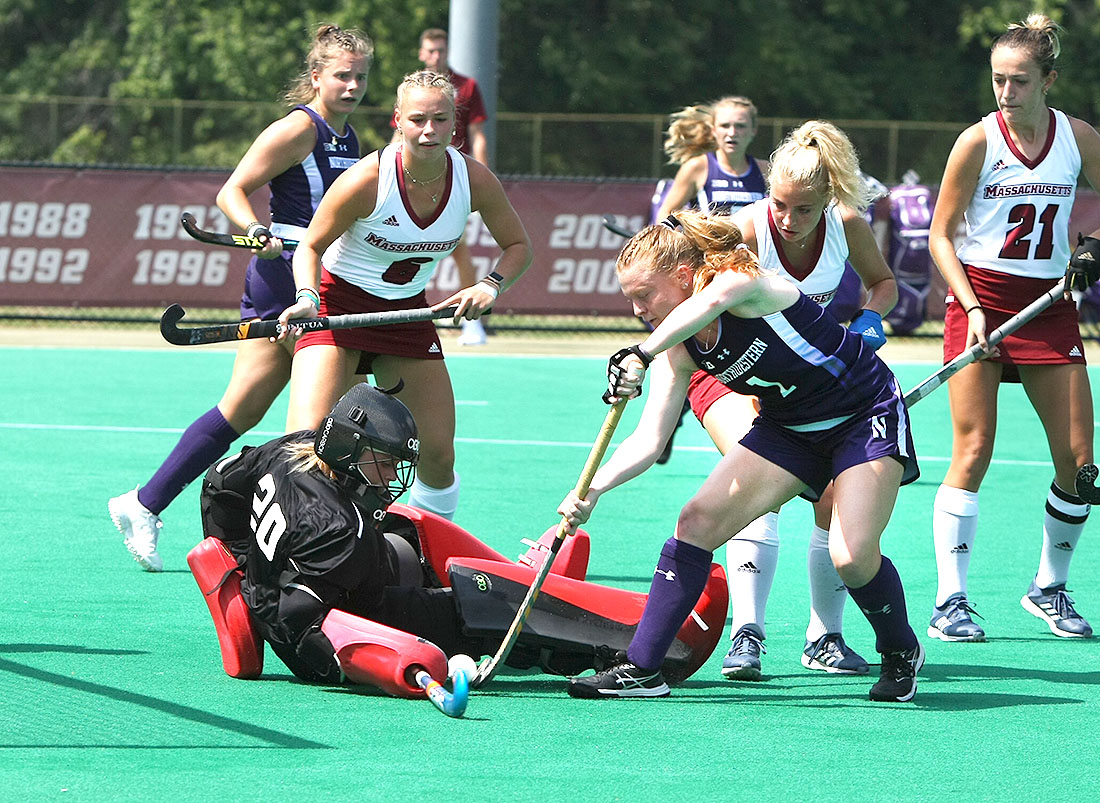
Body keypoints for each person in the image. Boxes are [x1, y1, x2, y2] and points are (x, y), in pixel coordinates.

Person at [559, 210, 925, 702]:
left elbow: (714, 299)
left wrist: (639, 354)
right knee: (696, 522)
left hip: (861, 416)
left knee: (852, 556)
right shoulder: (680, 347)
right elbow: (648, 440)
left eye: (644, 295)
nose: (637, 310)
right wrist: (593, 489)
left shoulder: (744, 281)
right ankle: (642, 668)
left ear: (684, 276)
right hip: (789, 430)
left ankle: (900, 650)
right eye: (631, 300)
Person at [188, 382, 729, 696]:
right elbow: (305, 622)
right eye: (381, 461)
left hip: (328, 578)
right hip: (354, 618)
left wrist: (236, 568)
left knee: (411, 524)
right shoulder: (337, 530)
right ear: (348, 447)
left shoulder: (292, 448)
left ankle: (535, 577)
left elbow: (218, 487)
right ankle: (655, 636)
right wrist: (402, 657)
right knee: (484, 597)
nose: (391, 474)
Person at [108, 24, 373, 571]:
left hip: (324, 278)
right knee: (338, 411)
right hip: (286, 279)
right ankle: (309, 535)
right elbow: (231, 190)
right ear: (317, 76)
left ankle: (143, 503)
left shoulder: (350, 139)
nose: (352, 86)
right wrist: (255, 228)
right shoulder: (299, 128)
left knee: (245, 411)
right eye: (342, 75)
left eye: (361, 77)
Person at [278, 70, 532, 525]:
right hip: (339, 308)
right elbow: (311, 246)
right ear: (398, 120)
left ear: (456, 123)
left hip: (405, 312)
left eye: (440, 119)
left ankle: (425, 554)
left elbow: (519, 248)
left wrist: (489, 285)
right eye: (418, 119)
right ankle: (298, 552)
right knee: (307, 445)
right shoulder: (369, 179)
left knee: (436, 453)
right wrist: (305, 298)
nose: (429, 130)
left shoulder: (474, 180)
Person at [926, 13, 1100, 642]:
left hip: (1050, 305)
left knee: (1080, 465)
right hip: (980, 301)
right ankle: (952, 601)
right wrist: (972, 309)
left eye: (1020, 81)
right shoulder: (977, 142)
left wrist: (1095, 245)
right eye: (998, 80)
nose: (1006, 92)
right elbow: (941, 235)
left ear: (1049, 80)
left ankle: (1048, 587)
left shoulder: (1078, 137)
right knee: (972, 453)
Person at [707, 121, 897, 681]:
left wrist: (868, 319)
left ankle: (824, 636)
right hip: (738, 374)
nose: (789, 222)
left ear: (828, 201)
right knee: (754, 488)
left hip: (810, 381)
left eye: (805, 211)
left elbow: (881, 282)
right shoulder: (746, 230)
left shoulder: (846, 224)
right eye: (781, 206)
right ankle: (747, 634)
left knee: (831, 497)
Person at [418, 27, 493, 346]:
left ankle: (471, 323)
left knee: (457, 247)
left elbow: (477, 136)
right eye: (430, 51)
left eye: (441, 50)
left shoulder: (467, 87)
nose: (436, 56)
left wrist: (481, 180)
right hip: (414, 181)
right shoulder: (412, 91)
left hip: (452, 181)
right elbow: (400, 136)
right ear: (422, 54)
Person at [654, 96, 768, 222]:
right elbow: (666, 213)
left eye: (740, 126)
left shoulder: (765, 170)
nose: (732, 132)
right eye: (725, 126)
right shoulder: (696, 168)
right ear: (714, 130)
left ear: (753, 130)